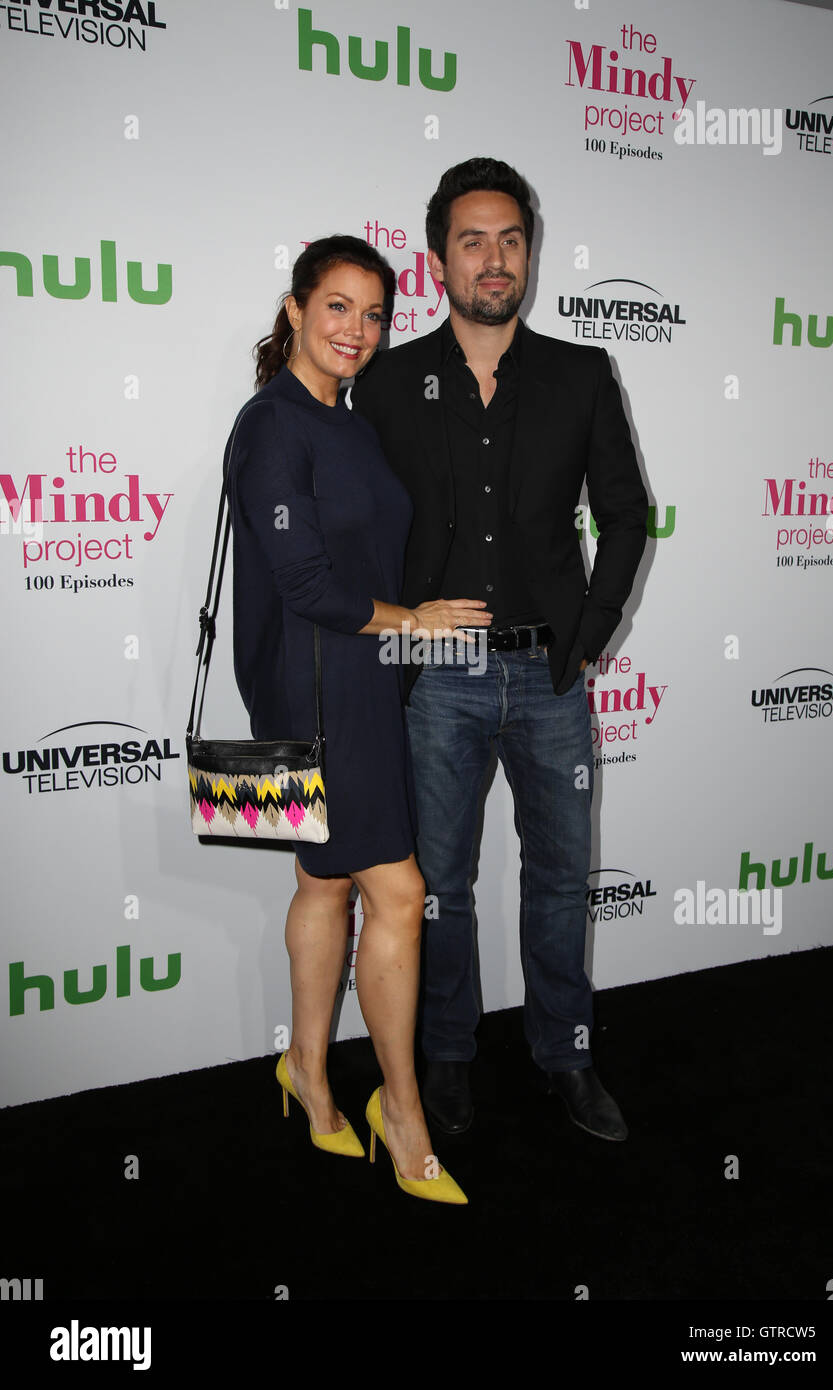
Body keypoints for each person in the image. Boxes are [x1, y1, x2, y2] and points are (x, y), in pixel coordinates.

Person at [352, 160, 648, 1141]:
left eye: (509, 238)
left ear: (530, 251)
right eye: (472, 240)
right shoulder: (389, 381)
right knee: (439, 887)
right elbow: (356, 523)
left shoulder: (579, 373)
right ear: (438, 260)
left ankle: (563, 1052)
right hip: (436, 679)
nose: (493, 257)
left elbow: (624, 513)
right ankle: (445, 1057)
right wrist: (392, 624)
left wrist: (588, 638)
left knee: (562, 877)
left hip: (551, 677)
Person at [226, 236, 488, 1203]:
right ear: (294, 310)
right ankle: (404, 1114)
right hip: (314, 687)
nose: (358, 331)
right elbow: (302, 580)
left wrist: (413, 626)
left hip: (364, 678)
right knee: (402, 892)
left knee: (326, 886)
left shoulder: (352, 422)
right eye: (337, 308)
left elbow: (371, 557)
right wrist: (411, 622)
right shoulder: (271, 424)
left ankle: (307, 1071)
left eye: (374, 314)